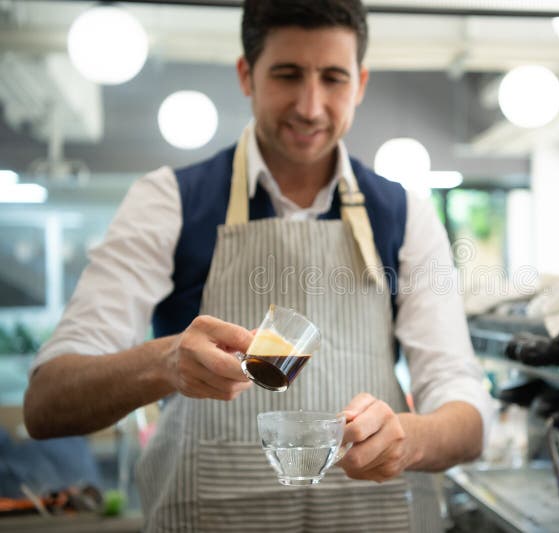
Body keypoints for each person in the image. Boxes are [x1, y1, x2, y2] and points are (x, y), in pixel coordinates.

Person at [23, 0, 494, 531]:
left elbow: (465, 410)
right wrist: (166, 362)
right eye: (288, 75)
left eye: (333, 78)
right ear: (247, 75)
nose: (311, 106)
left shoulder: (406, 214)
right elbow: (46, 404)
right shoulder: (169, 202)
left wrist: (410, 441)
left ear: (360, 83)